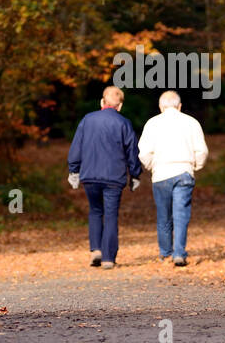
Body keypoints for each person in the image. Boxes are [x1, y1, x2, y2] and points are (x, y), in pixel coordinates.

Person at [67, 86, 142, 268]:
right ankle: (108, 258)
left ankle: (96, 249)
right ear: (120, 105)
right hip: (114, 178)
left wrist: (73, 170)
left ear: (102, 102)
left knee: (95, 211)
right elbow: (132, 151)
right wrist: (135, 174)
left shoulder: (87, 120)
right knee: (110, 215)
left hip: (90, 176)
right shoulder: (124, 123)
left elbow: (76, 147)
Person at [137, 90, 208, 266]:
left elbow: (143, 152)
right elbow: (202, 151)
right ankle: (179, 253)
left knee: (164, 216)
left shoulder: (152, 123)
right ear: (180, 106)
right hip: (184, 171)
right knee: (181, 215)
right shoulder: (191, 122)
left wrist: (152, 166)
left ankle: (165, 252)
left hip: (161, 174)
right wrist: (195, 166)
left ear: (160, 106)